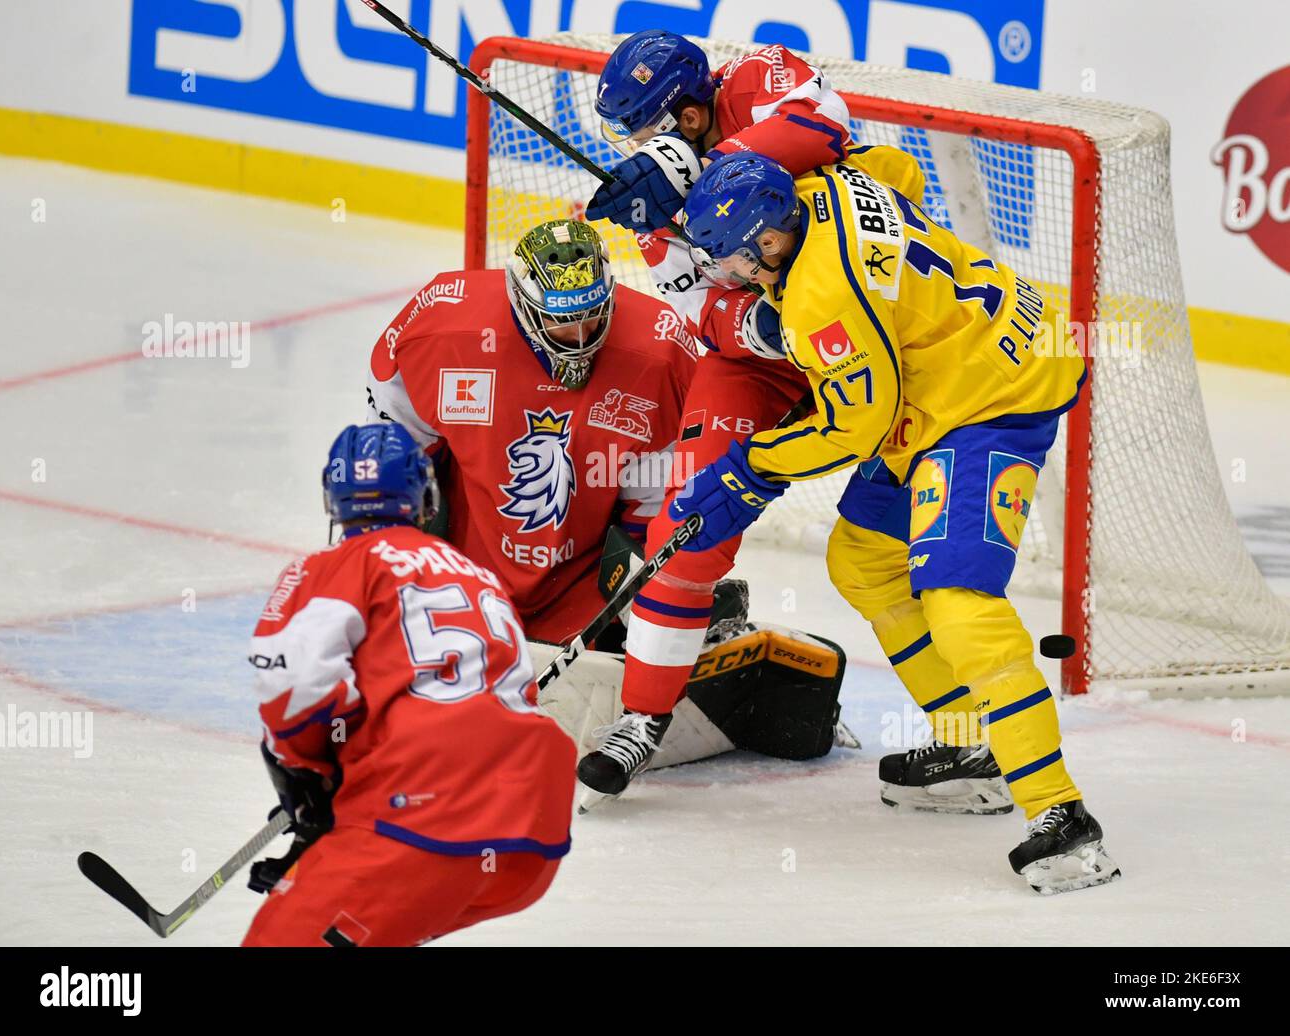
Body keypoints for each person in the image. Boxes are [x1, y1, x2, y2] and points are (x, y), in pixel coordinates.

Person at [671, 151, 1120, 894]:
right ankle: (969, 746)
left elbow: (851, 426)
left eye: (738, 261)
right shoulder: (825, 183)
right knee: (863, 559)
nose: (733, 276)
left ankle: (1064, 817)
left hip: (992, 399)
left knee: (957, 601)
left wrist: (750, 469)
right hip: (947, 376)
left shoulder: (819, 300)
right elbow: (901, 171)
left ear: (773, 242)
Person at [577, 31, 925, 794]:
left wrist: (692, 172)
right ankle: (644, 717)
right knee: (688, 524)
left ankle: (973, 735)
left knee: (918, 553)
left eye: (645, 127)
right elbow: (696, 307)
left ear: (690, 116)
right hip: (762, 360)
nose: (635, 147)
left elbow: (822, 126)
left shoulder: (761, 75)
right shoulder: (651, 205)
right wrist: (766, 328)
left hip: (883, 332)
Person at [242, 423, 577, 945]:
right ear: (425, 496)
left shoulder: (331, 567)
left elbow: (296, 687)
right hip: (530, 825)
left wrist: (309, 778)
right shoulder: (476, 574)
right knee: (378, 925)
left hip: (421, 813)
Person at [365, 218, 697, 645]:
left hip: (584, 591)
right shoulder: (444, 329)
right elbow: (393, 452)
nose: (579, 337)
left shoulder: (659, 355)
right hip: (457, 578)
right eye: (561, 321)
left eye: (591, 318)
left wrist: (644, 592)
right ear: (523, 303)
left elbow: (654, 502)